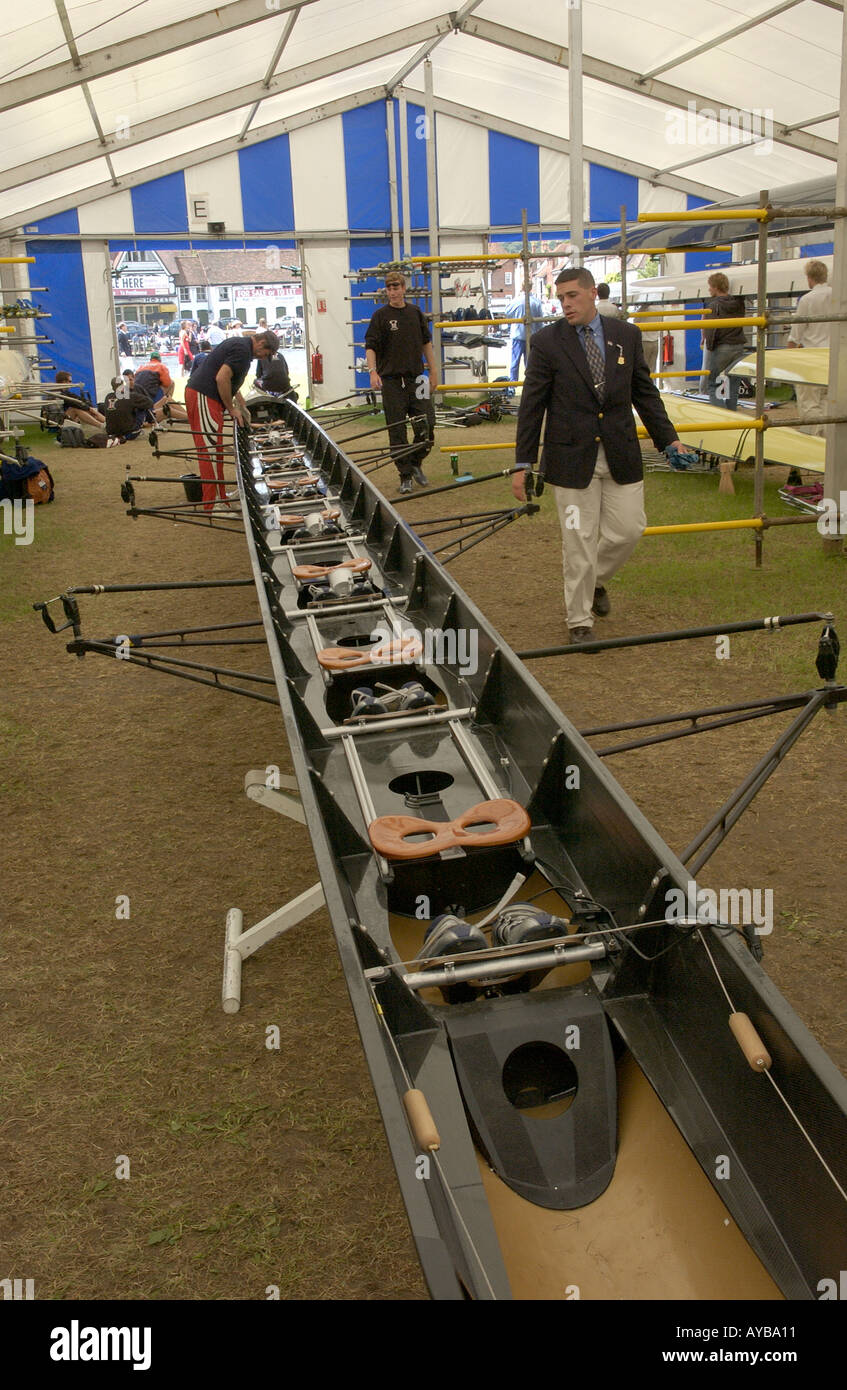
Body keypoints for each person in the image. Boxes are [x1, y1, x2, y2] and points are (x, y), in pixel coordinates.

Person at [512, 266, 686, 645]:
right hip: (570, 460)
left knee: (629, 529)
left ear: (593, 293)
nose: (566, 304)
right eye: (560, 298)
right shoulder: (546, 342)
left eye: (572, 295)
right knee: (579, 538)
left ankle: (595, 583)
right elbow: (532, 405)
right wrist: (523, 462)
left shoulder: (627, 336)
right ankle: (579, 621)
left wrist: (669, 440)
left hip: (620, 451)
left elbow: (645, 394)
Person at [185, 328, 278, 509]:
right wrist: (232, 409)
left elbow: (232, 382)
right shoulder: (243, 350)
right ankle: (212, 505)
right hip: (204, 395)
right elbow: (222, 378)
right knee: (210, 453)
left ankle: (222, 500)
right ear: (260, 343)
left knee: (216, 449)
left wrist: (241, 406)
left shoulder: (242, 347)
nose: (262, 357)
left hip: (207, 397)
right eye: (265, 353)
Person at [364, 271, 438, 494]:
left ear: (404, 289)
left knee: (427, 424)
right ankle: (405, 476)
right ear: (387, 291)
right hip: (391, 381)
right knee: (397, 431)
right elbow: (370, 347)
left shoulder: (416, 313)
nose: (394, 291)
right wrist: (372, 372)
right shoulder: (380, 316)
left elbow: (426, 344)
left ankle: (416, 462)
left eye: (397, 287)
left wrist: (433, 371)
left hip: (417, 379)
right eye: (390, 288)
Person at [786, 258, 832, 435]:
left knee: (809, 403)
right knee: (828, 402)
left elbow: (796, 333)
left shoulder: (806, 300)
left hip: (811, 357)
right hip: (833, 356)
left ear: (809, 278)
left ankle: (814, 442)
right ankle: (827, 444)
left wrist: (788, 358)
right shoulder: (838, 296)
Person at [702, 273, 747, 410]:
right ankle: (732, 415)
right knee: (733, 385)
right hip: (739, 346)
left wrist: (708, 346)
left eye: (710, 287)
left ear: (715, 287)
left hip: (722, 347)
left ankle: (722, 415)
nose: (709, 290)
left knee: (712, 383)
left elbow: (711, 329)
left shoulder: (713, 306)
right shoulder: (738, 303)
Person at [133, 351, 188, 423]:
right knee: (168, 407)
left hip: (140, 405)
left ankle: (190, 418)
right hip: (147, 411)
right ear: (160, 359)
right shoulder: (161, 366)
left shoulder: (141, 367)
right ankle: (192, 419)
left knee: (166, 401)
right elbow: (167, 383)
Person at [504, 288, 546, 381]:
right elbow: (540, 321)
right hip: (532, 336)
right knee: (530, 362)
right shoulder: (536, 302)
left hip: (518, 335)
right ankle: (530, 382)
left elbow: (507, 313)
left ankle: (512, 384)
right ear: (531, 288)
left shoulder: (516, 301)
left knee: (515, 362)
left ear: (521, 288)